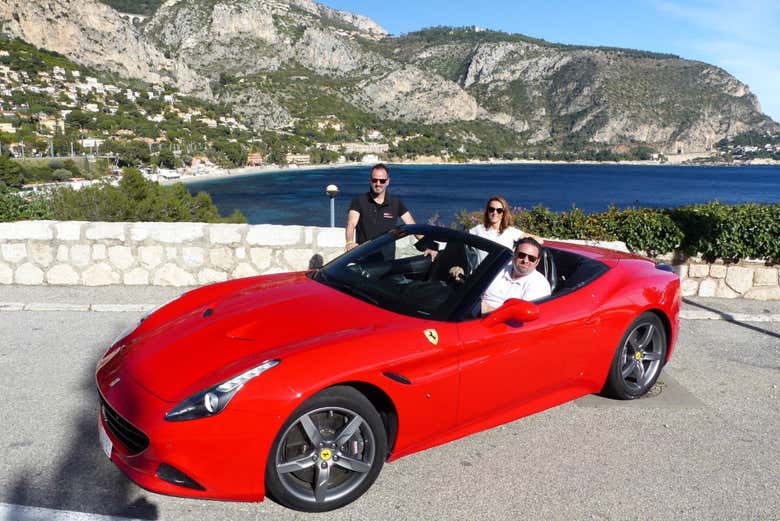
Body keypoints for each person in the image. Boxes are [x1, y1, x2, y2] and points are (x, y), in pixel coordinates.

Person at [345, 163, 415, 251]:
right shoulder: (359, 201)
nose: (378, 184)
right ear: (370, 180)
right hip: (364, 256)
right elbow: (351, 223)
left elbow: (412, 225)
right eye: (375, 180)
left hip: (386, 258)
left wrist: (427, 246)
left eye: (382, 181)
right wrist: (349, 242)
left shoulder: (396, 203)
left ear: (388, 181)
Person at [481, 236, 551, 314]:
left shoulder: (539, 285)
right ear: (514, 254)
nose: (525, 260)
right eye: (521, 255)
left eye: (531, 258)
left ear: (537, 261)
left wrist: (485, 309)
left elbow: (521, 315)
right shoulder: (498, 268)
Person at [469, 196, 525, 263]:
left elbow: (531, 238)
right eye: (491, 209)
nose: (494, 213)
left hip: (505, 269)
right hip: (483, 269)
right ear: (487, 211)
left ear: (503, 213)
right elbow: (462, 244)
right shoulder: (478, 230)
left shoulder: (510, 231)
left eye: (499, 210)